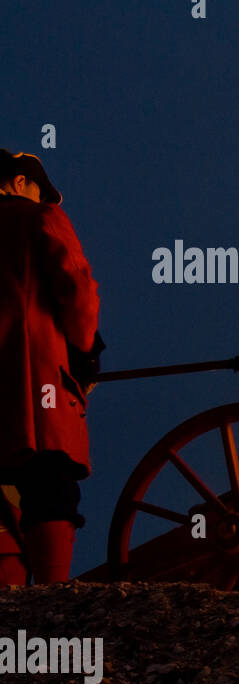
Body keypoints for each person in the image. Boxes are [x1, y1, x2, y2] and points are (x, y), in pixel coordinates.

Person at [0, 150, 101, 585]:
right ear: (21, 182)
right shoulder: (39, 218)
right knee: (51, 485)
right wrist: (84, 352)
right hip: (32, 377)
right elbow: (76, 286)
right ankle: (51, 596)